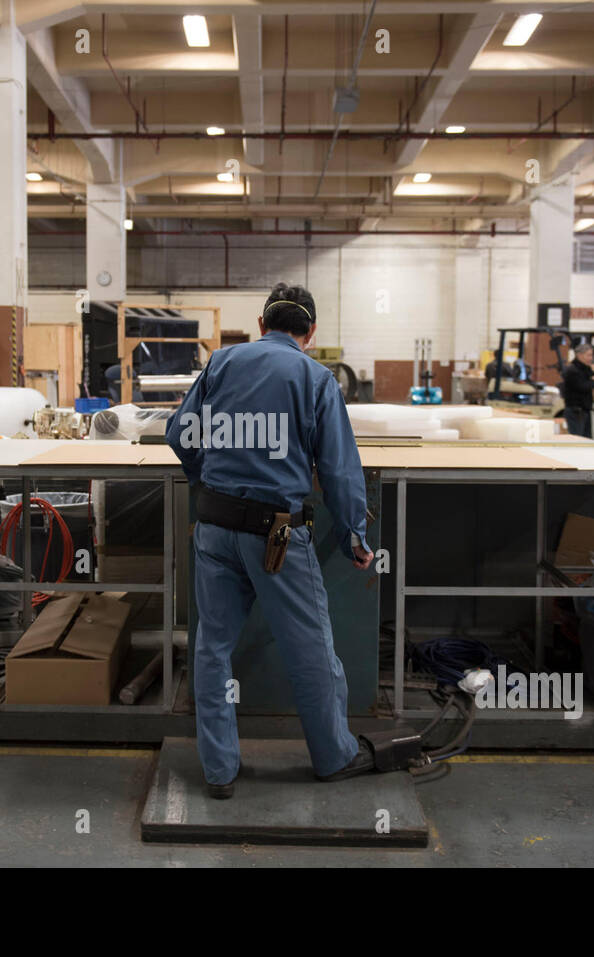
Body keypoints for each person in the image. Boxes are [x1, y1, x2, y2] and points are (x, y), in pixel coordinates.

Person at [165, 282, 375, 799]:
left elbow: (179, 435)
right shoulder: (316, 378)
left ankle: (219, 771)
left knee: (211, 649)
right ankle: (334, 756)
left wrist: (211, 479)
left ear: (261, 325)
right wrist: (355, 535)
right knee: (310, 650)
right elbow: (340, 470)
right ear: (311, 333)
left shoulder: (220, 363)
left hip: (213, 528)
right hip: (277, 537)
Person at [559, 342, 594, 438]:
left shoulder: (586, 369)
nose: (591, 358)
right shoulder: (572, 370)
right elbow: (583, 387)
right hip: (575, 411)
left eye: (592, 355)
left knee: (587, 439)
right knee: (577, 439)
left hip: (585, 410)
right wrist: (593, 382)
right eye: (589, 355)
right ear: (579, 355)